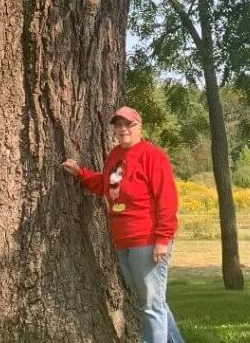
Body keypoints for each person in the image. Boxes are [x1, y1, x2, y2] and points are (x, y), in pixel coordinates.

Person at [61, 106, 184, 343]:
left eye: (129, 124)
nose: (123, 129)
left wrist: (162, 239)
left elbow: (167, 200)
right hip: (123, 240)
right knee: (151, 301)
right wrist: (80, 173)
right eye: (118, 125)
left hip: (147, 240)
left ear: (140, 125)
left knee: (151, 304)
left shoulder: (152, 155)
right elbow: (107, 185)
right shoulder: (116, 154)